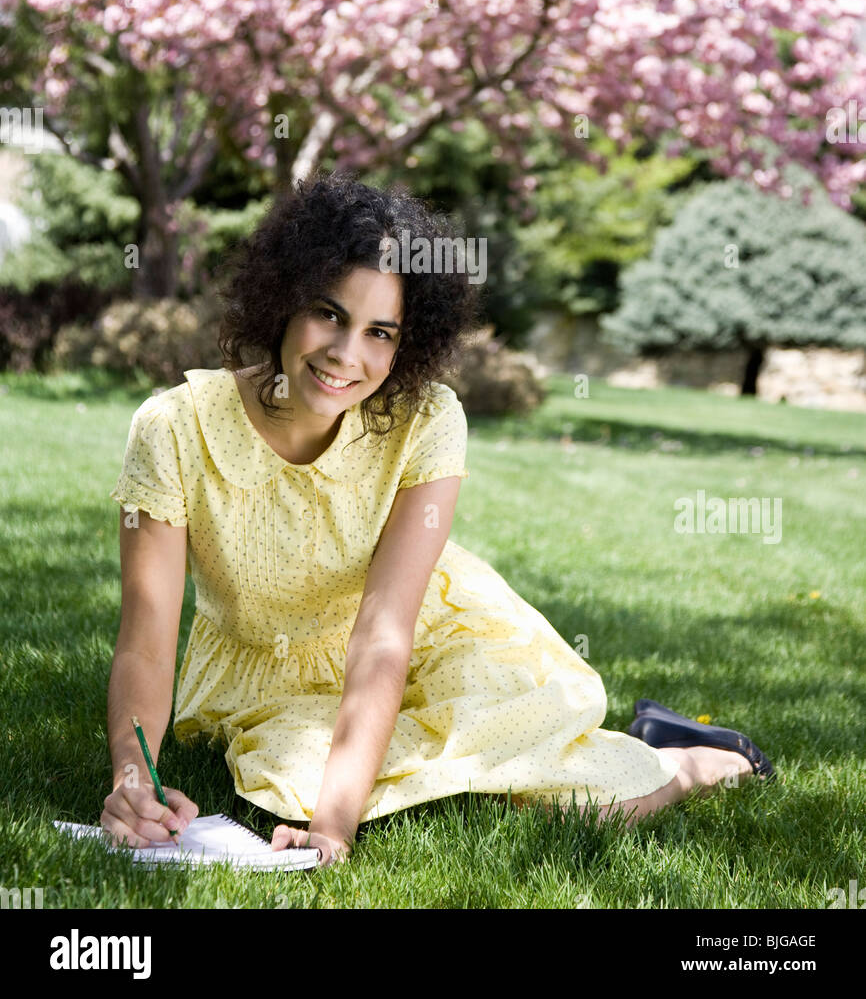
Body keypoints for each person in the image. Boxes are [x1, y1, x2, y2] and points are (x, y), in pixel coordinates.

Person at [101, 172, 775, 869]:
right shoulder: (173, 428)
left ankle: (690, 760)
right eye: (328, 314)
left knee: (585, 802)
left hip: (426, 634)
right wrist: (132, 776)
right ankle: (585, 751)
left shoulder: (426, 419)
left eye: (380, 332)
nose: (346, 355)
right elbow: (147, 640)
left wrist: (334, 830)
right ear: (281, 299)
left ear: (408, 342)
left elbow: (383, 635)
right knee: (293, 783)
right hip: (263, 671)